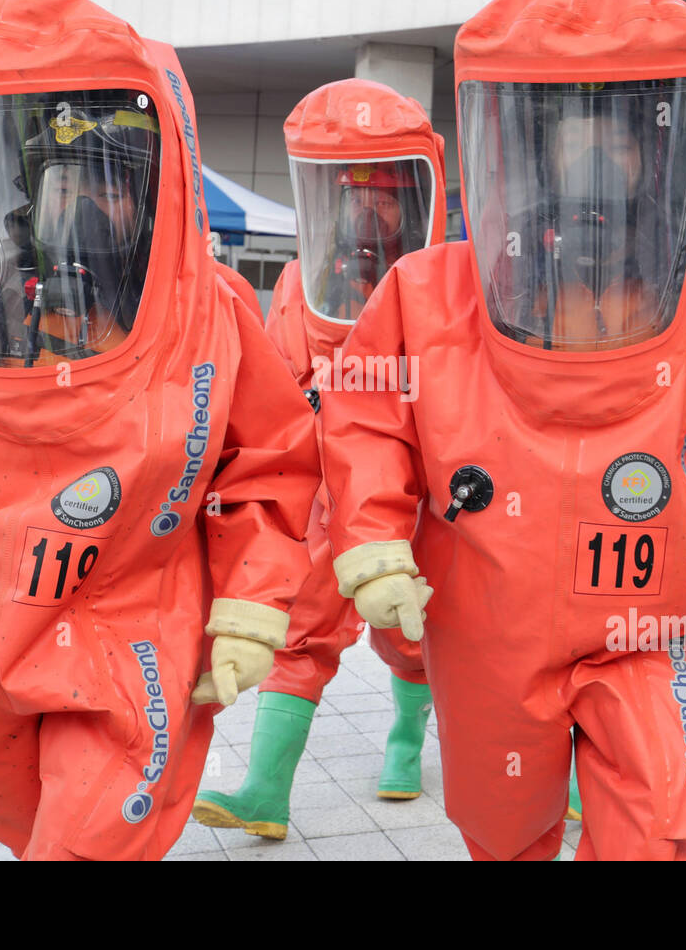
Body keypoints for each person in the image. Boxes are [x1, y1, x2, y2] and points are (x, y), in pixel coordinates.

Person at [319, 0, 686, 861]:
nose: (598, 161)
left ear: (660, 150)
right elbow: (367, 418)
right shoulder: (430, 294)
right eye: (574, 133)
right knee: (501, 827)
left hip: (658, 620)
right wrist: (372, 539)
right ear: (528, 144)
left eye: (621, 135)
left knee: (662, 824)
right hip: (492, 620)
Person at [0, 0, 321, 861]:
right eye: (62, 180)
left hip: (140, 631)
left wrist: (250, 602)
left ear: (154, 194)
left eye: (107, 185)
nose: (80, 205)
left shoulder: (215, 316)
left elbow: (267, 462)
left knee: (87, 833)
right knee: (17, 814)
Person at [191, 79, 445, 840]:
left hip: (414, 492)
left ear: (417, 195)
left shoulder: (440, 281)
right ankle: (265, 790)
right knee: (301, 628)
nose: (368, 214)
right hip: (331, 489)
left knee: (407, 631)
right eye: (350, 193)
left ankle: (404, 738)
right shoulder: (302, 280)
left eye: (387, 196)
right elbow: (276, 378)